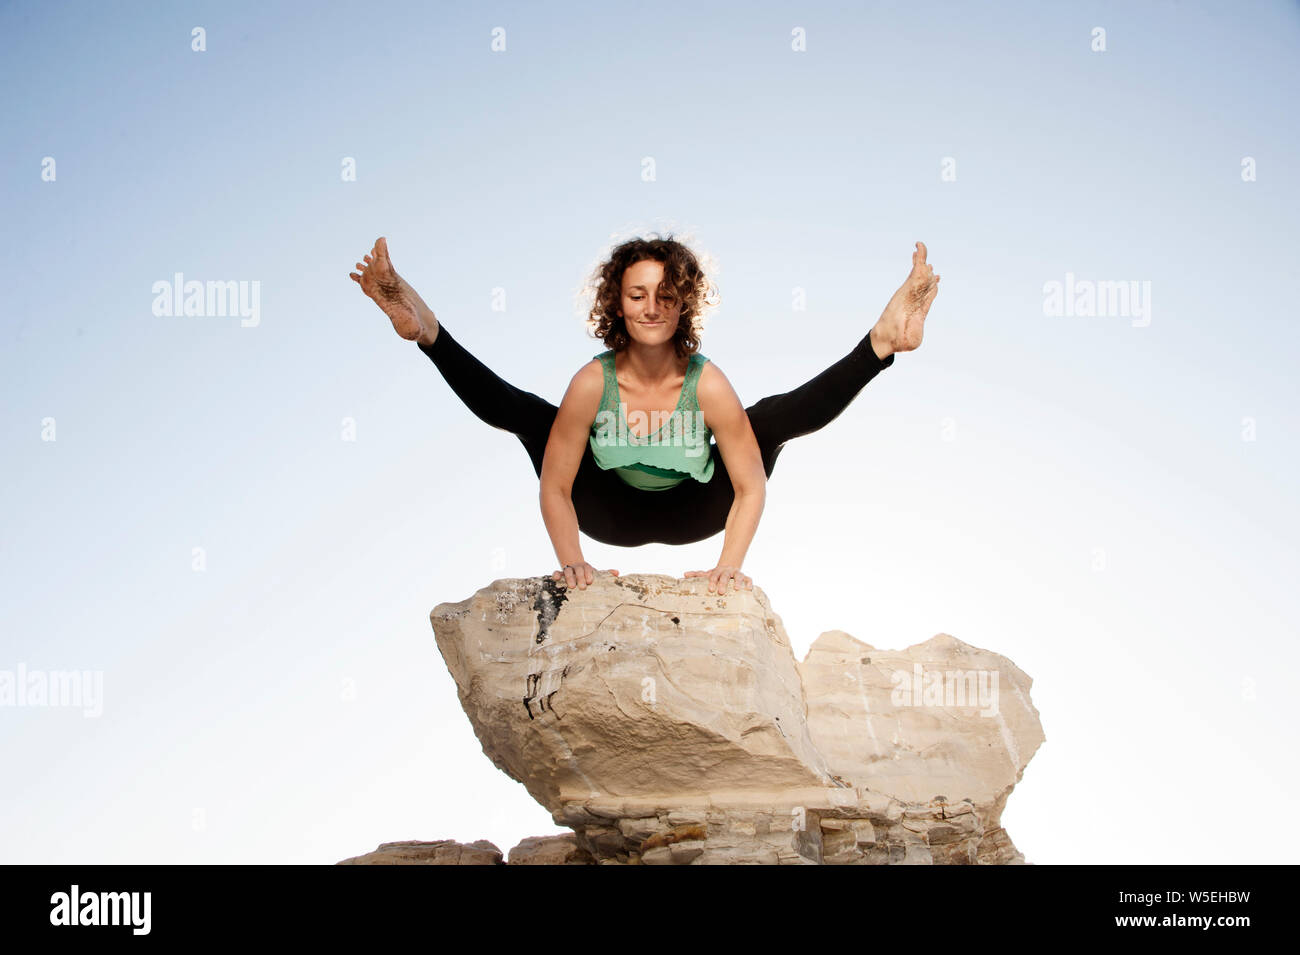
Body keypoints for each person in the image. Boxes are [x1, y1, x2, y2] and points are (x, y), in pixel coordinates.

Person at [349, 234, 939, 597]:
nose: (651, 307)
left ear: (684, 304)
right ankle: (429, 333)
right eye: (637, 295)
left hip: (696, 510)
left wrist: (726, 569)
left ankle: (882, 343)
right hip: (606, 512)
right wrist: (573, 565)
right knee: (534, 416)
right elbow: (556, 486)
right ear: (617, 304)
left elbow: (750, 485)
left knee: (767, 421)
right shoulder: (591, 383)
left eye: (665, 295)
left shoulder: (707, 384)